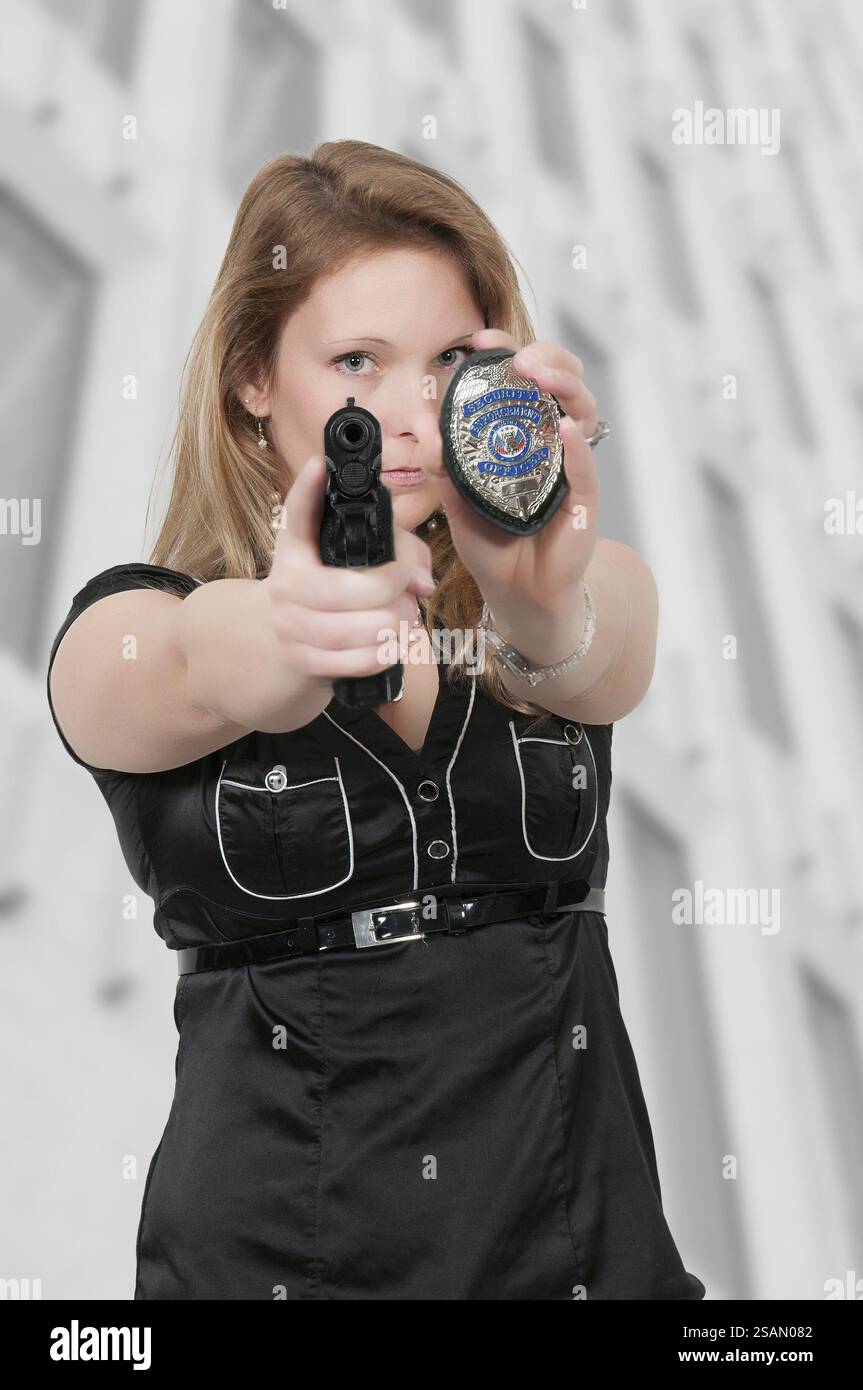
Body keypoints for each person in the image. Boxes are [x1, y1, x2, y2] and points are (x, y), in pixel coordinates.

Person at [46, 140, 705, 1301]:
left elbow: (593, 656)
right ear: (254, 377)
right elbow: (182, 668)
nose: (407, 410)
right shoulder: (138, 624)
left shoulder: (580, 589)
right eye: (357, 359)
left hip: (592, 1265)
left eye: (449, 358)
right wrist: (297, 626)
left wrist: (536, 596)